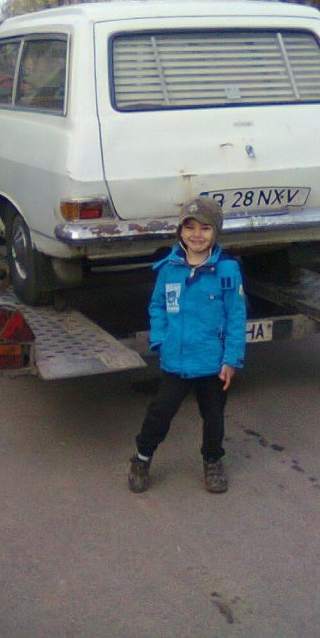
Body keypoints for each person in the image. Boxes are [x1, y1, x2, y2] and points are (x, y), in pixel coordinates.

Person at [128, 196, 247, 494]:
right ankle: (141, 458)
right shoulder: (169, 268)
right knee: (160, 413)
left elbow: (236, 318)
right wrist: (160, 339)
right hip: (176, 361)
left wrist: (231, 360)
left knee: (214, 417)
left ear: (216, 232)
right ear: (180, 230)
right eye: (190, 227)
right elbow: (157, 306)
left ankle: (212, 461)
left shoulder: (228, 272)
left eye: (205, 228)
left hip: (213, 363)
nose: (197, 234)